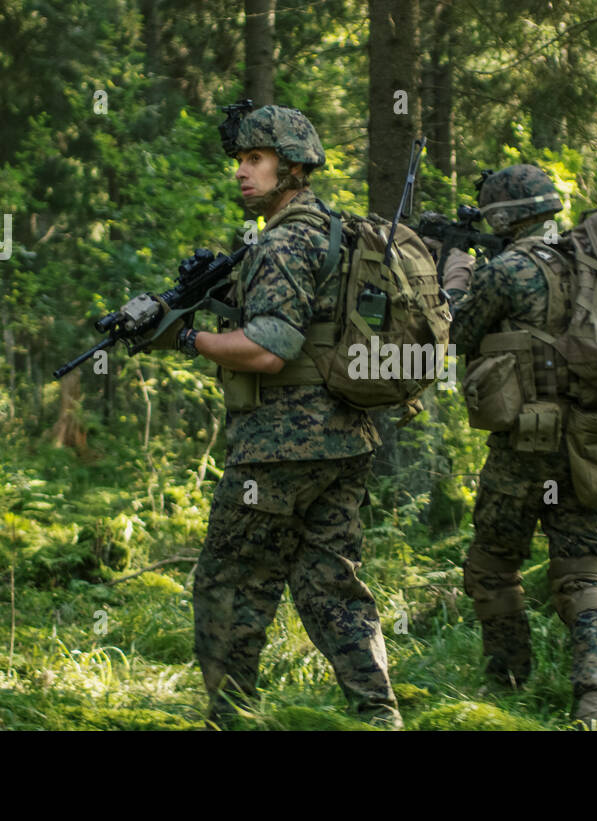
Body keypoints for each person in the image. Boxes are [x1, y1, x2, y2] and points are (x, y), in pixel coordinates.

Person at [181, 104, 402, 728]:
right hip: (345, 438)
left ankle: (230, 719)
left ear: (293, 167)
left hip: (280, 445)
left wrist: (186, 340)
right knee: (332, 584)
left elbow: (269, 348)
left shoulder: (283, 239)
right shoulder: (337, 230)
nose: (242, 173)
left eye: (255, 160)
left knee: (230, 583)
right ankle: (378, 715)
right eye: (240, 161)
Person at [444, 164, 597, 728]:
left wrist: (455, 273)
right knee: (581, 576)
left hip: (526, 448)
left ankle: (507, 680)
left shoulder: (506, 271)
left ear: (502, 216)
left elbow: (456, 332)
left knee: (492, 565)